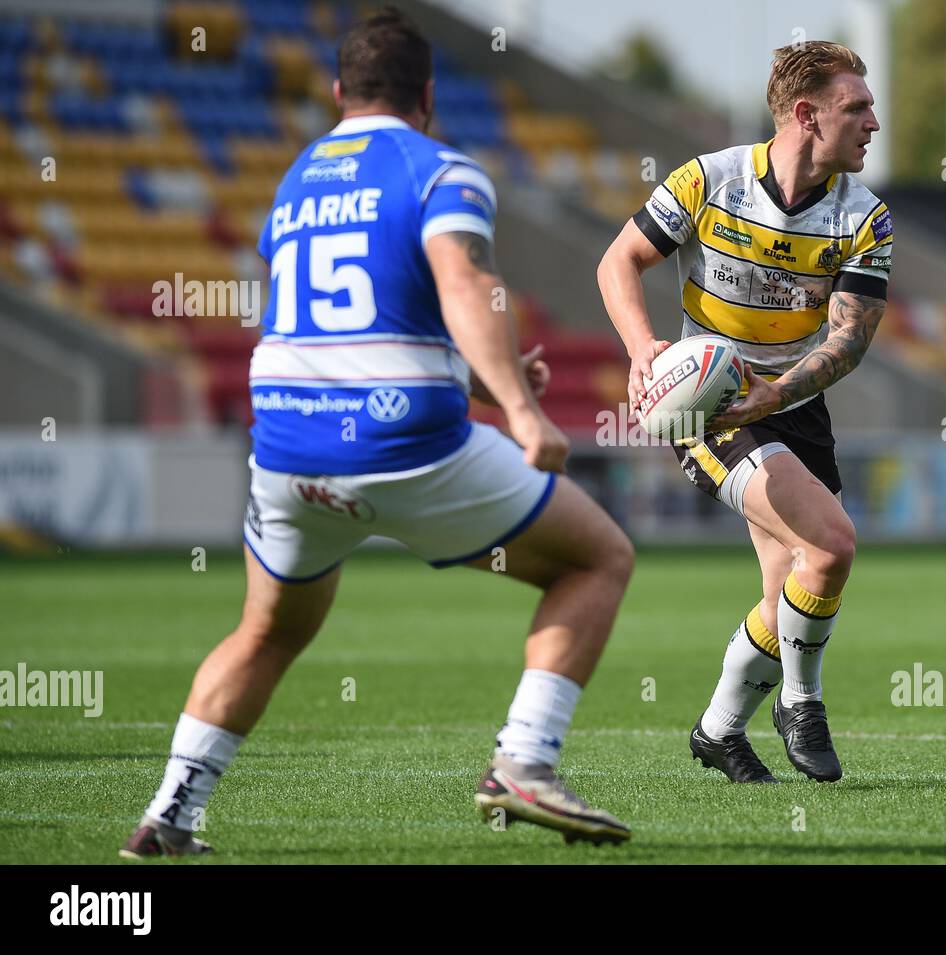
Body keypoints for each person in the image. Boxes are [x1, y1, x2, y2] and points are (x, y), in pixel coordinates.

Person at [121, 7, 632, 856]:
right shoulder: (439, 167)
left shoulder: (295, 180)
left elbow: (340, 320)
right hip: (401, 445)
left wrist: (471, 374)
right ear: (427, 96)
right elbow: (464, 282)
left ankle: (170, 815)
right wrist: (515, 404)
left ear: (337, 93)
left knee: (267, 630)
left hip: (286, 448)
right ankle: (524, 763)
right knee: (598, 556)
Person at [597, 41, 891, 784]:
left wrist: (776, 393)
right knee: (831, 547)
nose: (874, 122)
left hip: (793, 403)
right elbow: (618, 261)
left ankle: (718, 731)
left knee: (789, 586)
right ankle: (802, 701)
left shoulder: (866, 217)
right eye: (856, 108)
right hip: (711, 407)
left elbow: (849, 342)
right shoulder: (709, 180)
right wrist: (642, 351)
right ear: (805, 114)